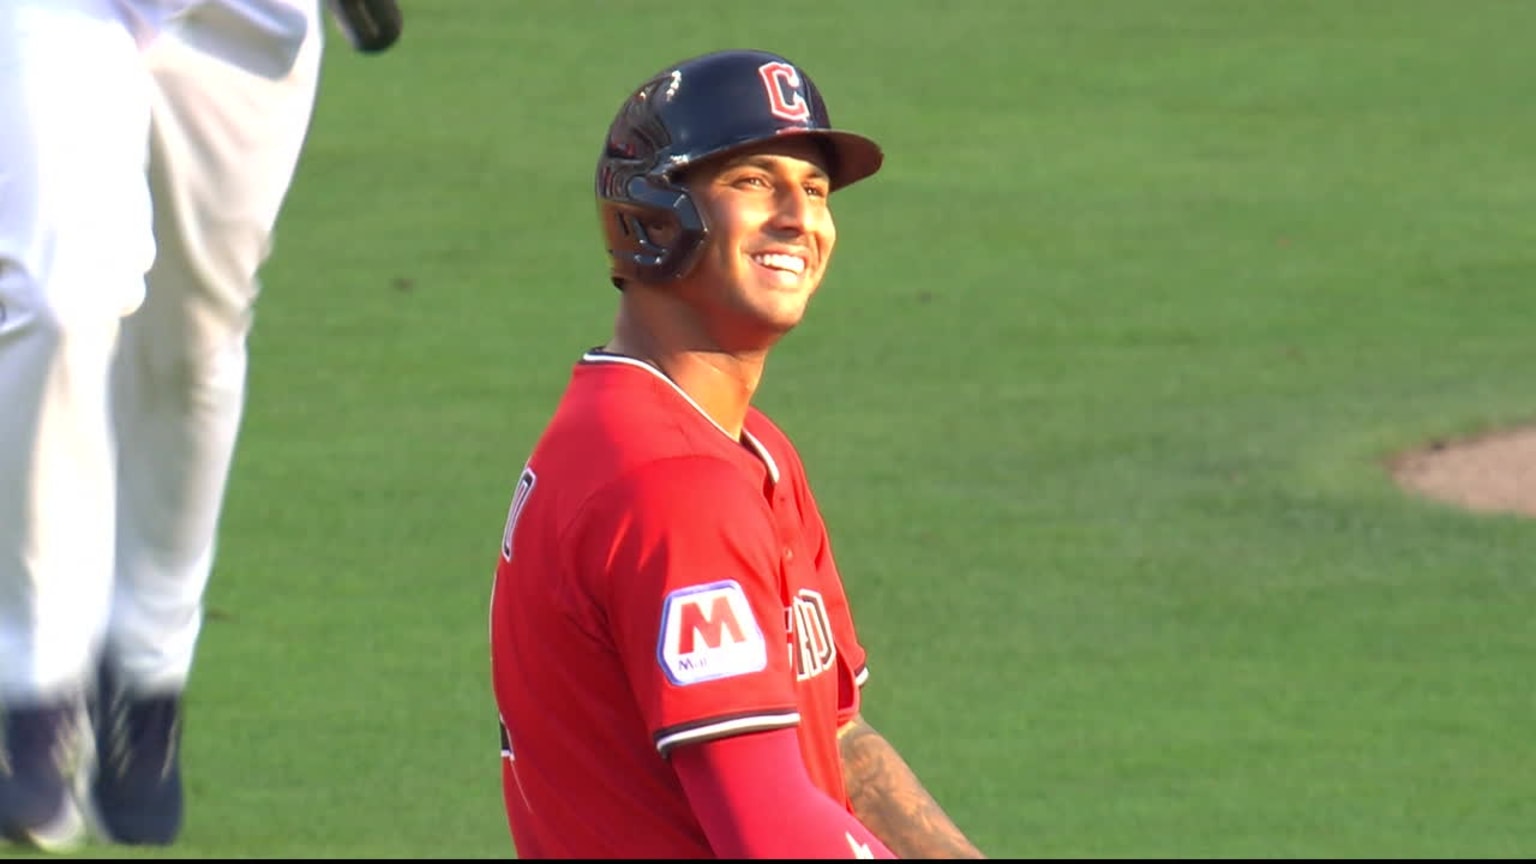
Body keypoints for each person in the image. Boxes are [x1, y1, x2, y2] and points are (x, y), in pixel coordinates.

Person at [488, 48, 987, 859]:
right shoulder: (672, 485)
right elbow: (768, 833)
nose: (799, 216)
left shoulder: (744, 450)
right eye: (755, 180)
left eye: (816, 190)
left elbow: (838, 739)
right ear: (652, 211)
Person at [0, 0, 397, 850]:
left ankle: (145, 669)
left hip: (241, 18)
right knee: (56, 301)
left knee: (194, 343)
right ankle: (35, 675)